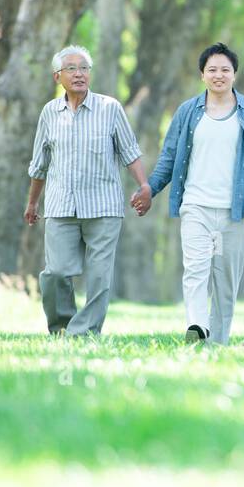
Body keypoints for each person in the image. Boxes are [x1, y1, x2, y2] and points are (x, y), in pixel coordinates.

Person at [133, 42, 244, 346]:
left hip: (235, 208)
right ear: (202, 74)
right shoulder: (188, 112)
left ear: (234, 75)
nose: (218, 75)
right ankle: (197, 326)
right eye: (212, 70)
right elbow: (170, 156)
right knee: (196, 268)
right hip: (195, 205)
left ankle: (219, 341)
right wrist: (152, 188)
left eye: (225, 70)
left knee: (225, 281)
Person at [25, 45, 149, 337]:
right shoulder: (49, 113)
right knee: (55, 273)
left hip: (103, 207)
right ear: (58, 76)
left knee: (99, 276)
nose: (79, 73)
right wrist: (32, 203)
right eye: (71, 68)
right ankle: (61, 327)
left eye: (84, 68)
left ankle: (84, 332)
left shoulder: (110, 108)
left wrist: (144, 186)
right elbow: (39, 164)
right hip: (60, 207)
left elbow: (130, 152)